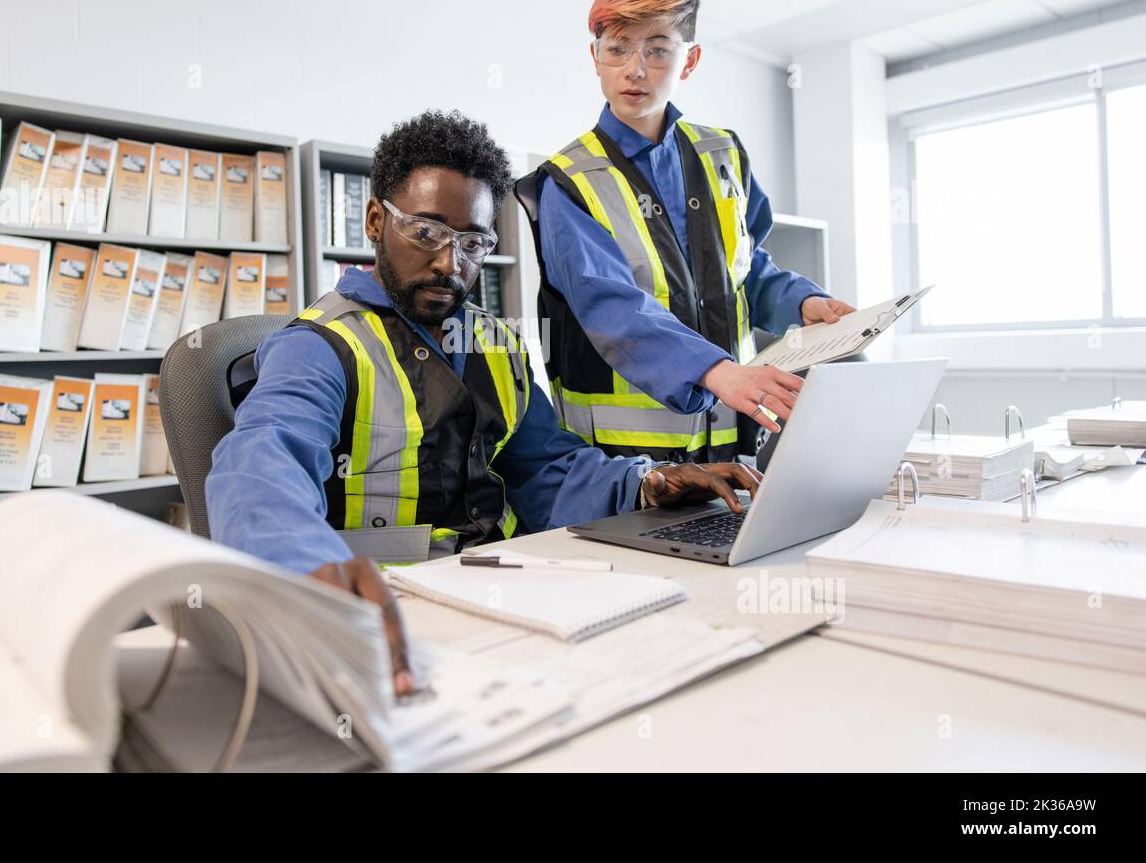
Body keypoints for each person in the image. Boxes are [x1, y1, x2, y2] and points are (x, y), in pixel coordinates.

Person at [207, 110, 765, 694]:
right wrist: (304, 570)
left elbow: (546, 466)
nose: (451, 264)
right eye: (425, 232)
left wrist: (649, 484)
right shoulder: (319, 346)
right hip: (385, 620)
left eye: (472, 242)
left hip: (507, 600)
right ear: (376, 220)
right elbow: (260, 464)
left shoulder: (495, 341)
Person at [516, 0, 857, 465]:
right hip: (624, 470)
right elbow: (614, 312)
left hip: (734, 450)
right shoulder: (568, 183)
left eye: (657, 50)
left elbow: (744, 272)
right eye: (617, 49)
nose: (634, 69)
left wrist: (802, 303)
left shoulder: (725, 155)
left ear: (690, 60)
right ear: (595, 57)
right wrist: (721, 374)